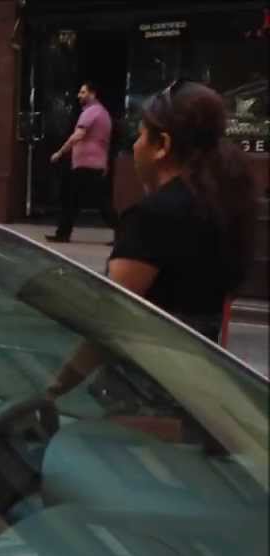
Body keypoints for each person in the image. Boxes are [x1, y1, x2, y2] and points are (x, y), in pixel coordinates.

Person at [45, 80, 256, 400]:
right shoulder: (219, 203)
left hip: (146, 393)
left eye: (141, 135)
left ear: (162, 146)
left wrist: (54, 388)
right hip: (198, 390)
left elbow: (109, 321)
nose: (135, 145)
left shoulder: (154, 216)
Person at [46, 82, 118, 243]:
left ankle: (63, 234)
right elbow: (104, 142)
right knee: (86, 201)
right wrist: (105, 164)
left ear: (93, 94)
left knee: (73, 200)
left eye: (83, 92)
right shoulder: (103, 113)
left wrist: (59, 152)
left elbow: (78, 135)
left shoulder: (91, 112)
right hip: (94, 164)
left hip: (87, 164)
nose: (79, 95)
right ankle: (63, 233)